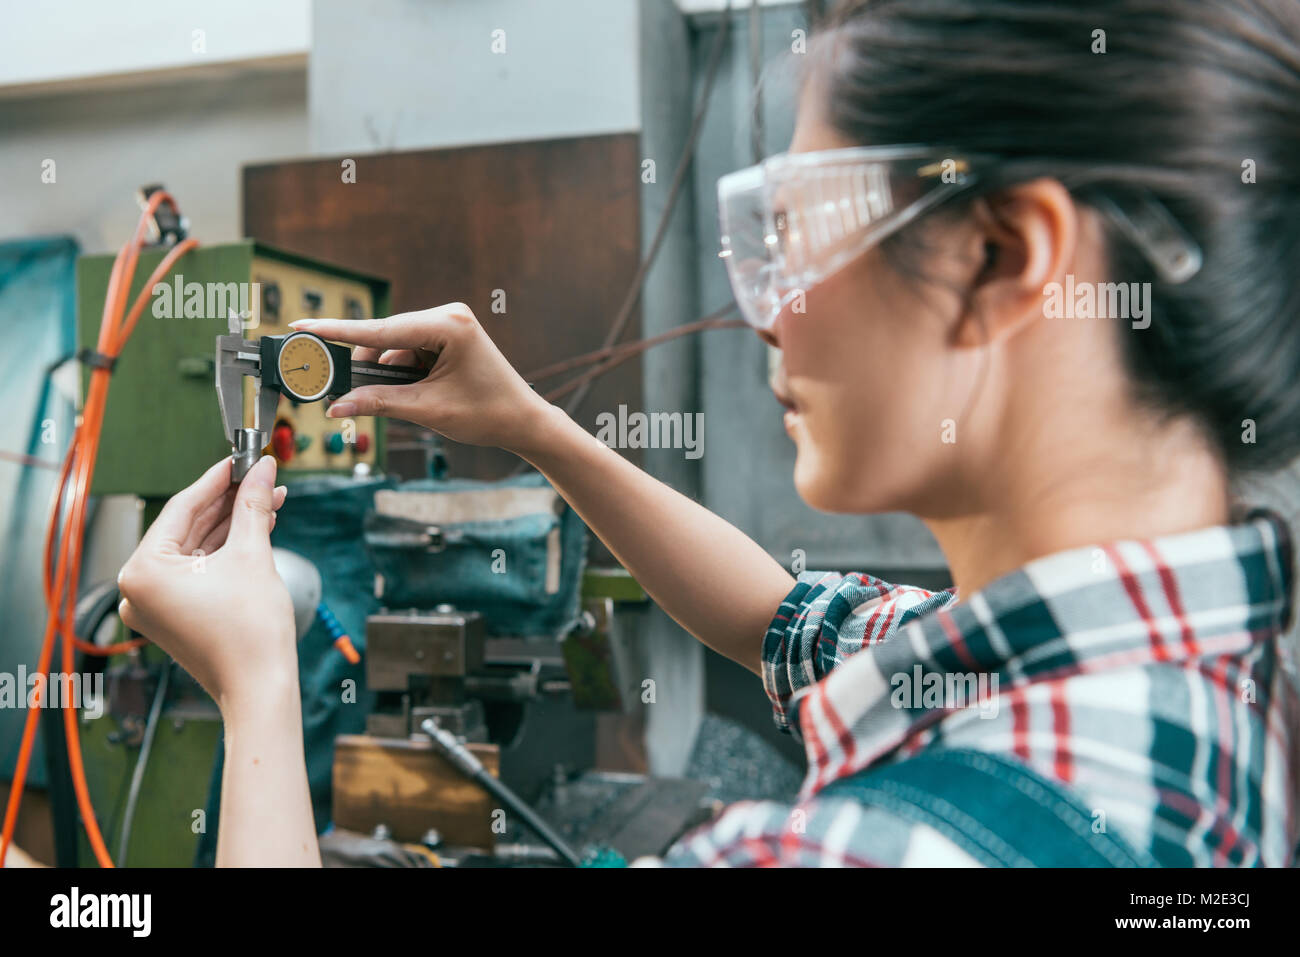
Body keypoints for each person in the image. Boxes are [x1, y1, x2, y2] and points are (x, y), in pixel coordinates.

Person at [117, 0, 1300, 866]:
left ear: (1002, 259)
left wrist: (259, 680)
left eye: (808, 229)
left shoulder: (875, 850)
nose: (773, 318)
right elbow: (783, 622)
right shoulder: (1184, 672)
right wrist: (534, 427)